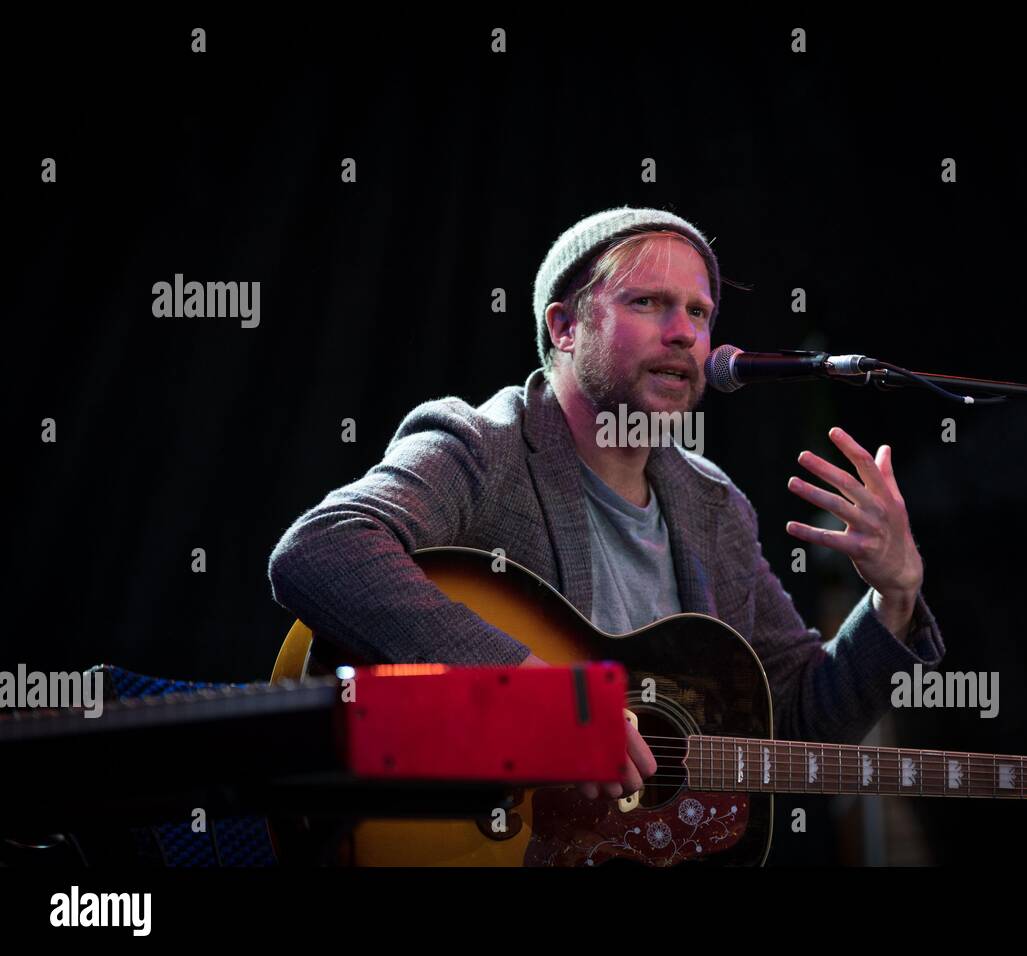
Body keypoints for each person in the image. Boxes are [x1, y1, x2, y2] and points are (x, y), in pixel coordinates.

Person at [269, 206, 945, 803]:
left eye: (700, 312)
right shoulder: (482, 446)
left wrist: (896, 598)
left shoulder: (715, 506)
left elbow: (794, 720)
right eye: (649, 302)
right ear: (564, 327)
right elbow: (321, 550)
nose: (684, 333)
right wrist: (531, 695)